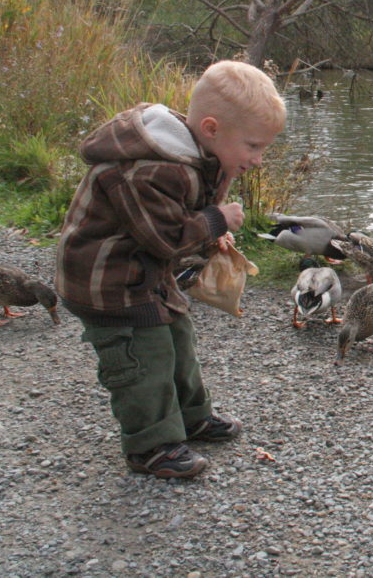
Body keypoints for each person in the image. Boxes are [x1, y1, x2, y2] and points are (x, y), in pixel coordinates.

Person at [55, 60, 286, 478]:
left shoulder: (197, 153)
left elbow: (177, 218)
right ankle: (150, 445)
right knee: (143, 358)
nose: (258, 159)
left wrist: (210, 234)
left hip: (145, 273)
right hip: (107, 281)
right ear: (211, 128)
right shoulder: (149, 169)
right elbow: (164, 238)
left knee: (178, 338)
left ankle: (191, 417)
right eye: (253, 146)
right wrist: (216, 220)